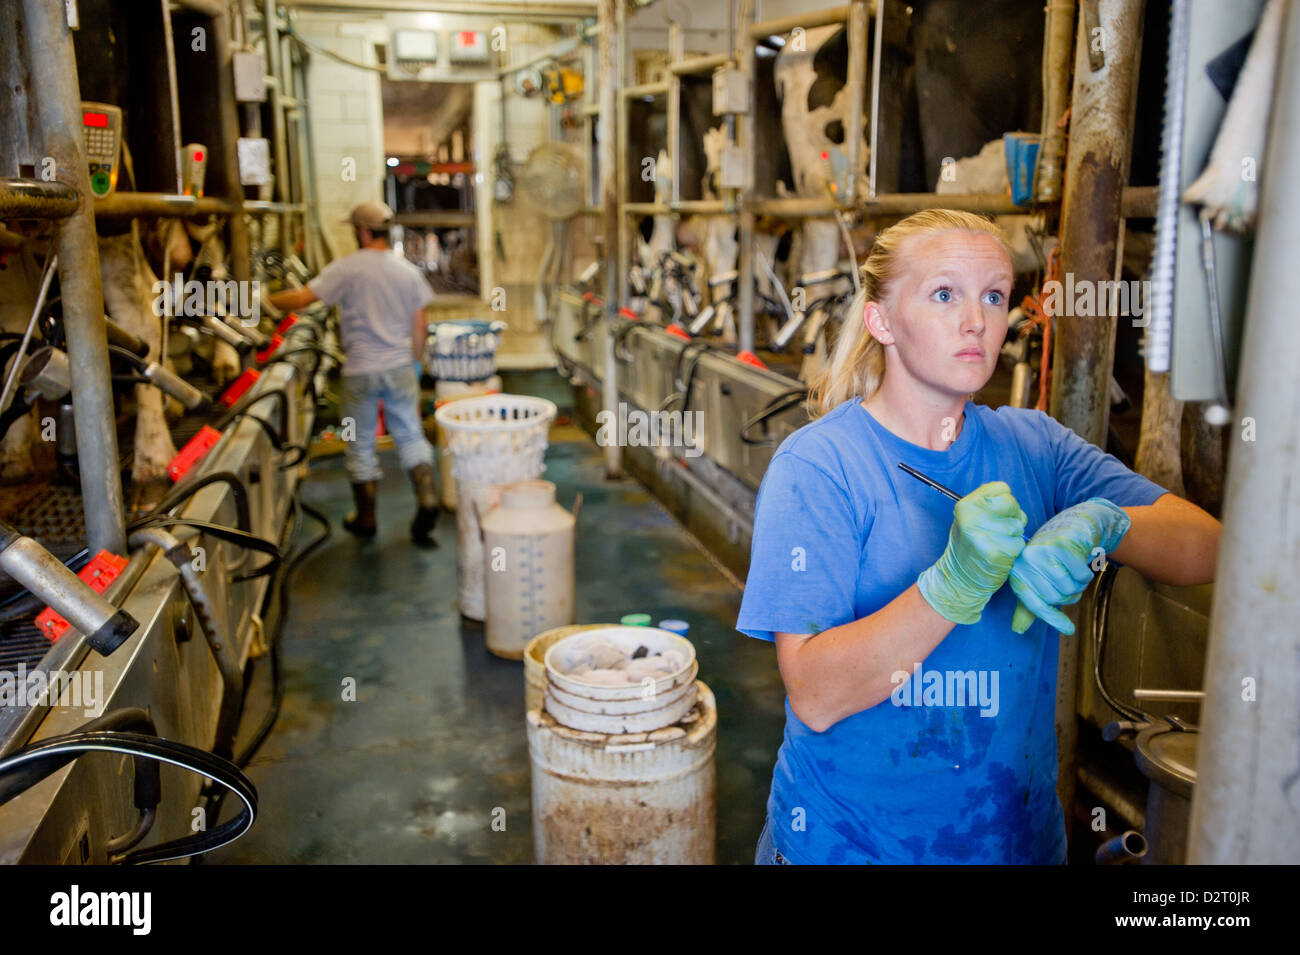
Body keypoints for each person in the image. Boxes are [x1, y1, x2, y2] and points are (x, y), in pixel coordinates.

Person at [736, 209, 1222, 864]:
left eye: (993, 295)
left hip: (1014, 843)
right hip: (854, 846)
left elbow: (1206, 545)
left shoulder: (1035, 446)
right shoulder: (818, 468)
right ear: (882, 320)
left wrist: (1108, 522)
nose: (977, 321)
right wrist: (951, 585)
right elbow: (818, 695)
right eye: (944, 294)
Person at [267, 200, 440, 545]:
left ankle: (366, 518)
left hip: (360, 370)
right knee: (409, 432)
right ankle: (427, 497)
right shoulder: (407, 271)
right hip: (400, 365)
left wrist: (259, 299)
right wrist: (417, 363)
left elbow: (303, 298)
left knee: (359, 442)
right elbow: (420, 324)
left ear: (362, 231)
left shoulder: (346, 269)